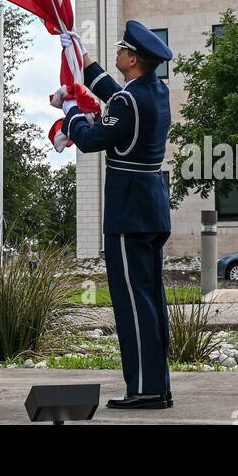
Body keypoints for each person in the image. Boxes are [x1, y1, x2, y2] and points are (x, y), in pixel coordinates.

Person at [61, 21, 174, 409]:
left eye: (121, 49)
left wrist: (70, 110)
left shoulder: (130, 101)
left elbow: (92, 139)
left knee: (133, 303)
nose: (118, 53)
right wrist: (82, 56)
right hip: (152, 209)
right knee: (151, 298)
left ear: (133, 59)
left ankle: (144, 389)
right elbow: (115, 96)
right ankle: (158, 385)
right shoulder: (157, 92)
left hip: (128, 213)